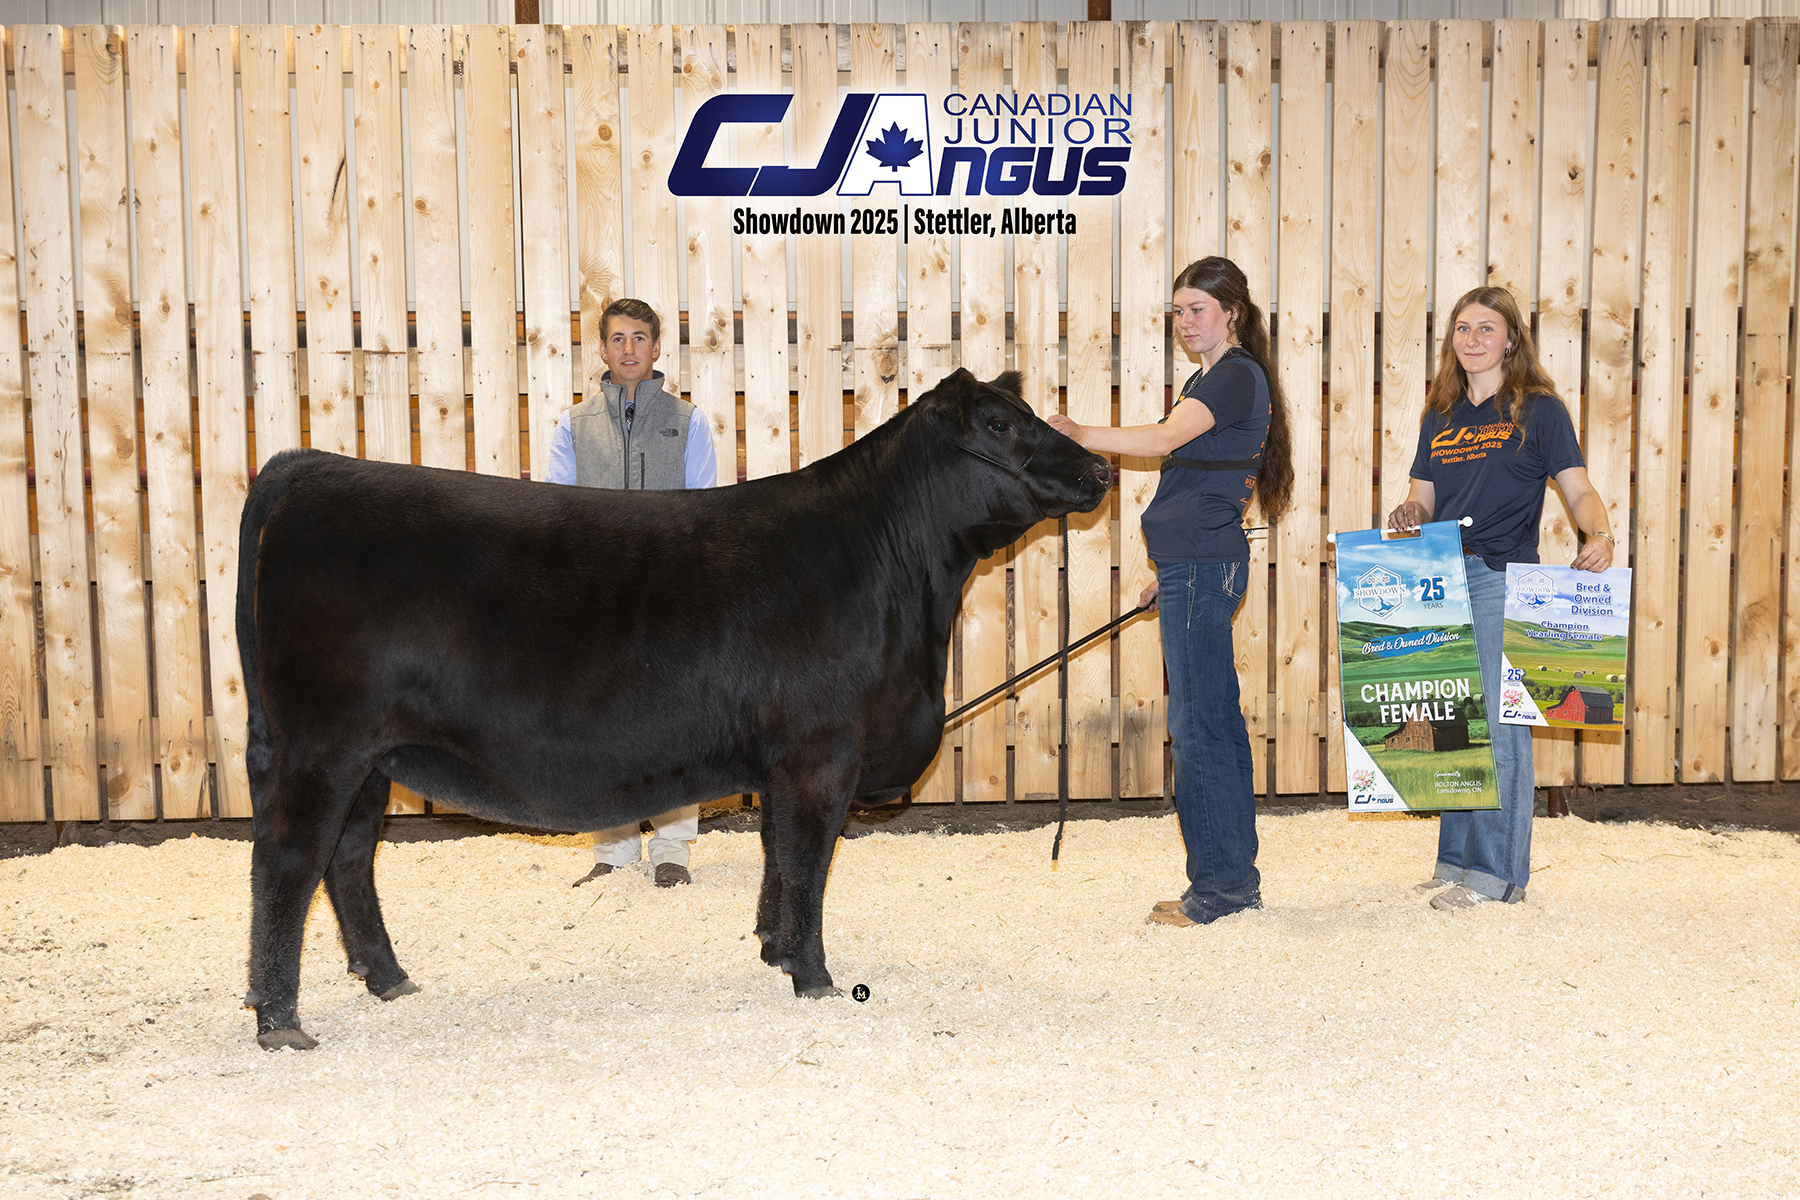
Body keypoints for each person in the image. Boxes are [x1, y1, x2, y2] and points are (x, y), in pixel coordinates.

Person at [1049, 256, 1293, 926]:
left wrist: (1078, 434)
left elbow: (1161, 442)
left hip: (1203, 566)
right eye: (1179, 311)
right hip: (1193, 565)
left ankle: (1217, 890)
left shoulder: (1236, 376)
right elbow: (1195, 481)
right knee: (1211, 722)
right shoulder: (1210, 378)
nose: (1186, 322)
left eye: (1198, 310)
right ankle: (1232, 881)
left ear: (1231, 312)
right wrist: (1168, 570)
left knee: (1200, 730)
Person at [1386, 286, 1614, 911]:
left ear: (1512, 339)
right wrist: (1409, 511)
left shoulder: (1539, 410)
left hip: (1500, 576)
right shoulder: (1442, 412)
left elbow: (1578, 488)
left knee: (1497, 728)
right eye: (1463, 328)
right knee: (1451, 722)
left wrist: (1599, 529)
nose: (1473, 339)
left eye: (1487, 328)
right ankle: (1456, 860)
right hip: (1440, 575)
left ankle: (1495, 877)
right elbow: (1422, 497)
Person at [547, 297, 719, 889]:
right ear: (601, 348)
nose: (628, 349)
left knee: (676, 720)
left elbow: (705, 513)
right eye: (617, 338)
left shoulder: (689, 420)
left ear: (656, 347)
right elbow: (556, 517)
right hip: (599, 601)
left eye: (639, 338)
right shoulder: (572, 425)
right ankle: (614, 850)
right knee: (603, 720)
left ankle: (672, 851)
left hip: (670, 597)